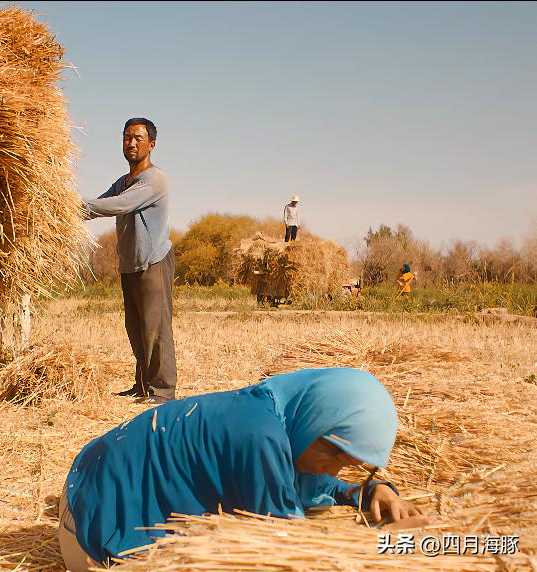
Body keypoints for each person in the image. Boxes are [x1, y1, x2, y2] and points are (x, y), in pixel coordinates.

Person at [58, 368, 427, 570]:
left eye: (348, 466)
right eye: (334, 456)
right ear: (316, 419)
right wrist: (381, 545)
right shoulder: (261, 437)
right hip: (90, 531)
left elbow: (303, 480)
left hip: (86, 482)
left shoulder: (273, 410)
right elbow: (297, 550)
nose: (331, 470)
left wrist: (364, 492)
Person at [83, 118, 176, 404]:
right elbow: (100, 205)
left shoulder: (154, 179)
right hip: (129, 264)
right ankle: (142, 385)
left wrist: (75, 204)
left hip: (153, 262)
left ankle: (163, 391)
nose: (131, 143)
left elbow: (118, 205)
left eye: (137, 138)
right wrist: (63, 212)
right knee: (136, 327)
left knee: (156, 327)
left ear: (151, 144)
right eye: (126, 137)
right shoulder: (122, 182)